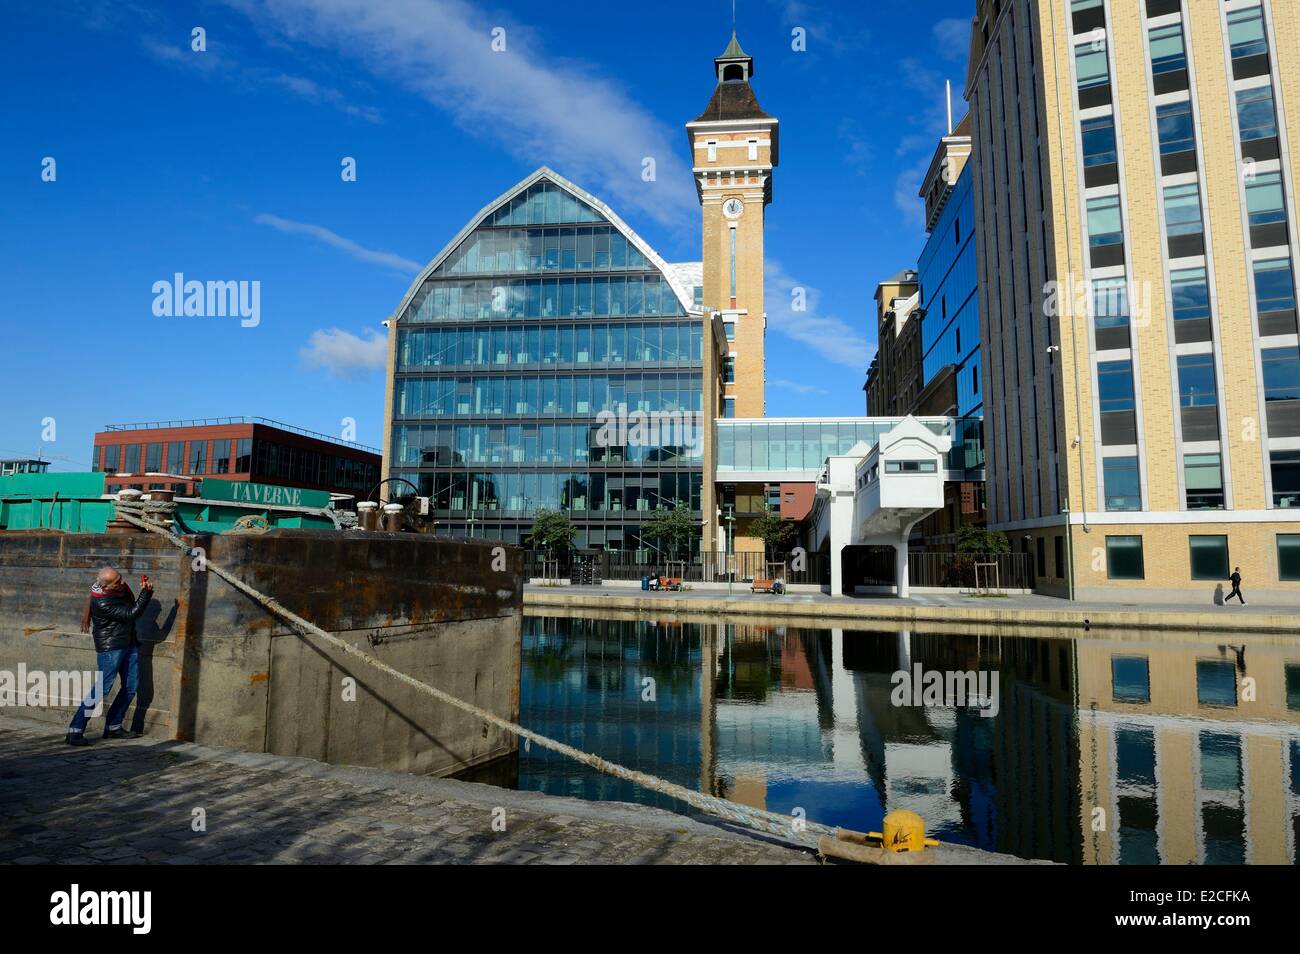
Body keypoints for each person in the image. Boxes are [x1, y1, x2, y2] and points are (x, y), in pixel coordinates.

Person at [66, 567, 154, 746]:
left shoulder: (116, 590)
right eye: (117, 582)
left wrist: (143, 592)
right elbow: (131, 614)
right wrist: (146, 593)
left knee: (130, 687)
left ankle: (114, 726)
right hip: (111, 648)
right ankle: (75, 730)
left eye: (121, 578)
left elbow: (130, 608)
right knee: (101, 689)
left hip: (129, 644)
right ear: (105, 587)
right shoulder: (102, 602)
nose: (122, 583)